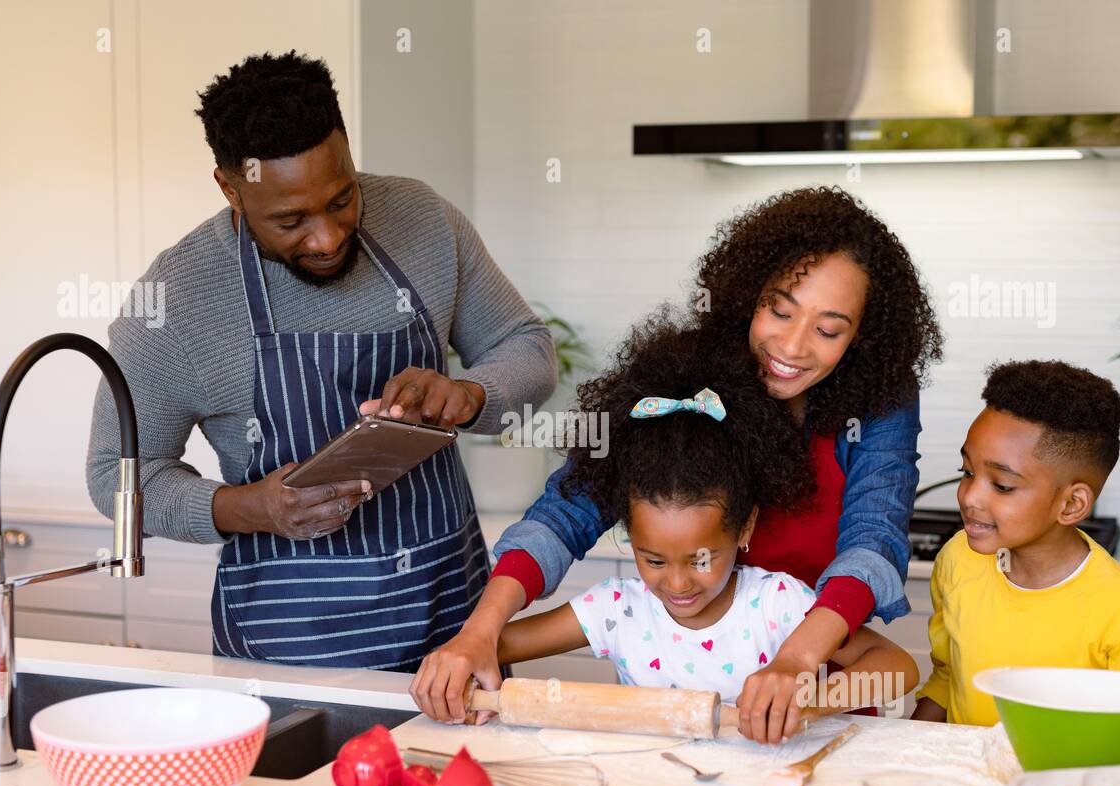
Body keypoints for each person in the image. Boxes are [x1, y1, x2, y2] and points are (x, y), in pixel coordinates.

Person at [412, 186, 943, 740]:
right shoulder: (686, 378)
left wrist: (796, 664)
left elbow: (874, 537)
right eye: (779, 311)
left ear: (862, 338)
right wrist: (481, 628)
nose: (792, 345)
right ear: (748, 296)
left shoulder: (880, 401)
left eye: (828, 330)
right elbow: (566, 509)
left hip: (826, 688)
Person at [86, 51, 555, 670]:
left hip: (454, 628)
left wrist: (471, 396)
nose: (328, 237)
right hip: (290, 646)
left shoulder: (424, 220)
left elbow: (525, 345)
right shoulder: (175, 302)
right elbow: (114, 480)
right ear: (231, 188)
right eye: (291, 220)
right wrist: (251, 506)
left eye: (341, 200)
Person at [487, 320, 918, 725]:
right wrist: (470, 648)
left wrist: (807, 699)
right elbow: (494, 645)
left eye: (701, 559)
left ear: (745, 528)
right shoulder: (617, 611)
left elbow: (897, 668)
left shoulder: (777, 605)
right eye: (654, 560)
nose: (677, 584)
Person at [912, 361, 1120, 733]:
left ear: (1071, 504)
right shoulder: (958, 560)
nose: (969, 496)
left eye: (1003, 486)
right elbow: (947, 677)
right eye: (968, 472)